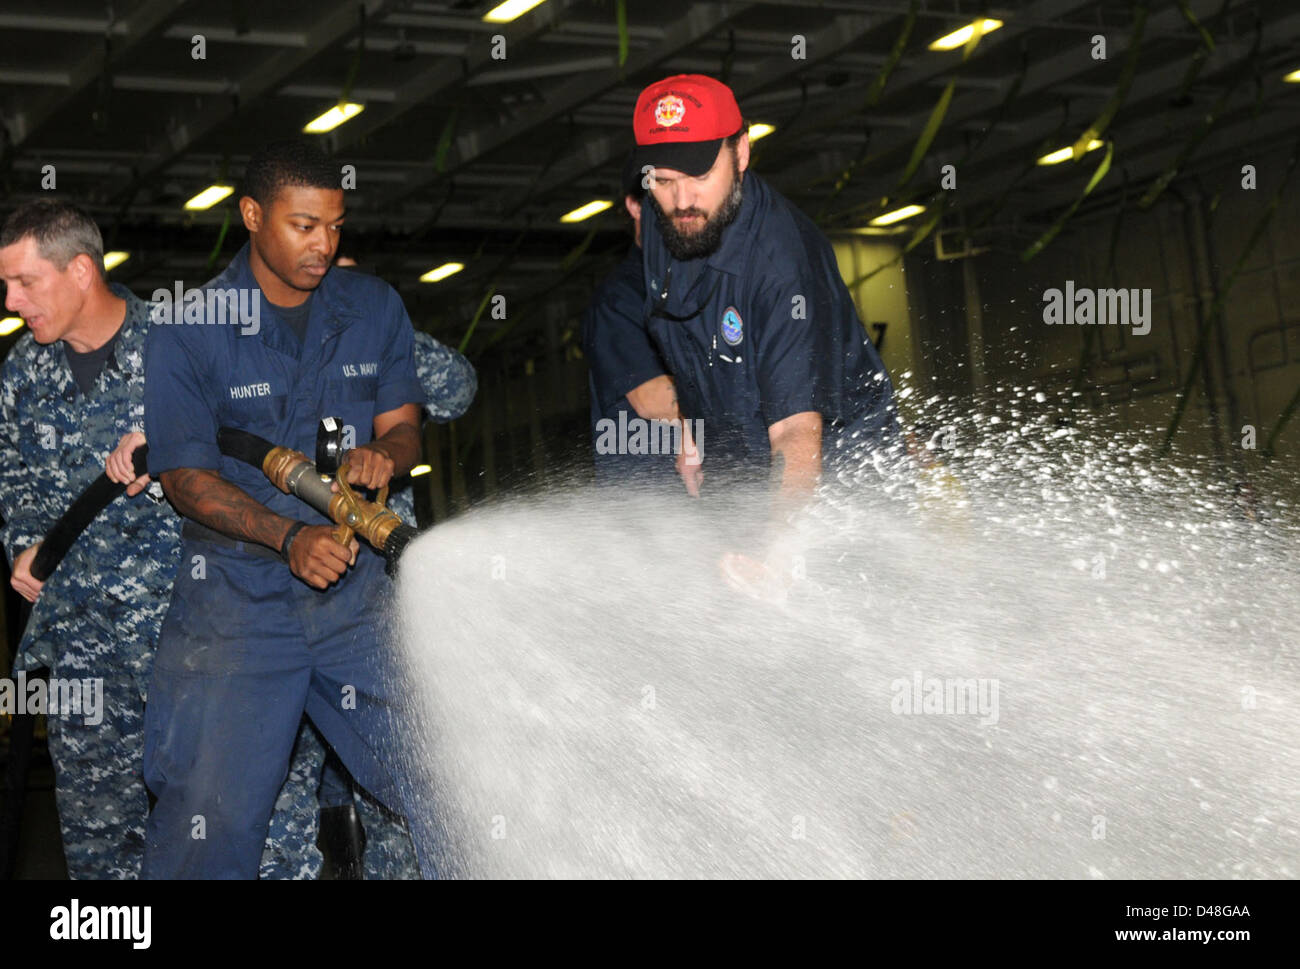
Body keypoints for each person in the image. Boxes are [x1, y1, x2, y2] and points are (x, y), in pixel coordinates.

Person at [0, 200, 324, 879]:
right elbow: (14, 479)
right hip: (87, 655)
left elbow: (271, 456)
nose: (11, 299)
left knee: (249, 827)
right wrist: (26, 546)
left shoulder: (188, 345)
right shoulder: (20, 374)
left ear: (81, 270)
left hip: (200, 638)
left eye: (24, 281)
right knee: (102, 848)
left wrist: (180, 434)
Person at [140, 139, 435, 878]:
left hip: (355, 599)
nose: (325, 244)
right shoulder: (190, 326)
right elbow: (182, 478)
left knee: (448, 781)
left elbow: (403, 424)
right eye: (304, 225)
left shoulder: (373, 307)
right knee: (208, 827)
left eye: (335, 225)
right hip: (236, 608)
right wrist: (286, 536)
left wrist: (386, 456)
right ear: (251, 215)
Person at [627, 74, 902, 506]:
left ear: (741, 152)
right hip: (737, 471)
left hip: (835, 486)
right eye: (663, 180)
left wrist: (777, 555)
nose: (682, 200)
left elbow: (796, 435)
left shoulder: (783, 264)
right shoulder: (668, 224)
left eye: (699, 173)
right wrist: (686, 427)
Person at [581, 155, 688, 487]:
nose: (677, 201)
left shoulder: (698, 286)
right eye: (660, 188)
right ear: (634, 206)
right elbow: (653, 400)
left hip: (701, 503)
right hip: (650, 512)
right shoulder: (619, 299)